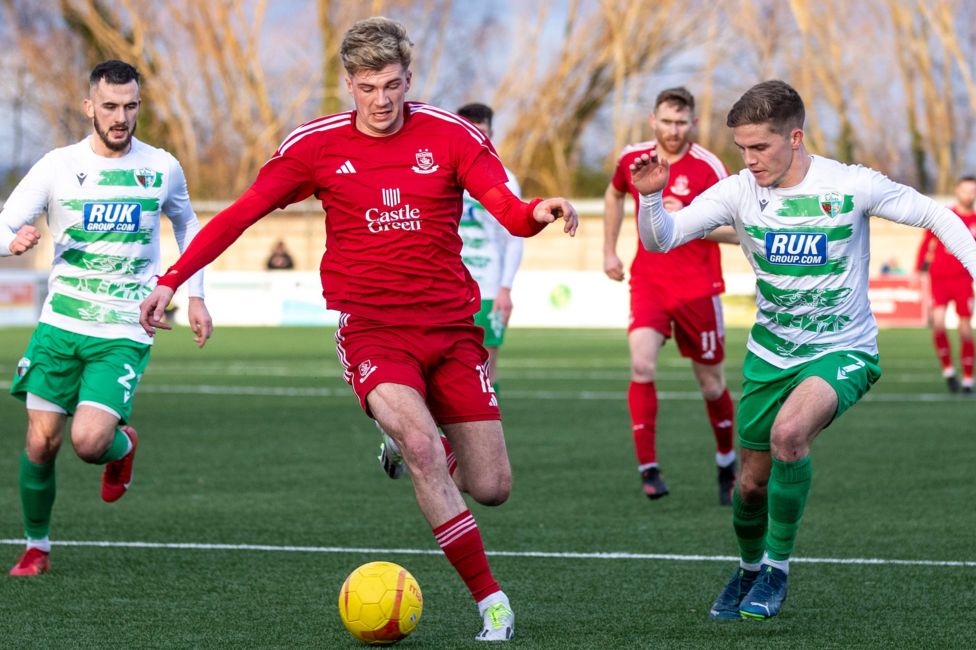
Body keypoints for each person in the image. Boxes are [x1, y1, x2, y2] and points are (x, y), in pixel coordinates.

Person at [138, 17, 577, 642]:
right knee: (426, 450)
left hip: (453, 328)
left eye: (392, 85)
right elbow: (239, 215)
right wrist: (172, 278)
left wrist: (540, 211)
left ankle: (408, 440)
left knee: (491, 486)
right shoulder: (314, 146)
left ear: (409, 78)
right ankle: (492, 603)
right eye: (368, 87)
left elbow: (507, 209)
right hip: (373, 329)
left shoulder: (450, 135)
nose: (381, 101)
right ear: (349, 83)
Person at [631, 80, 976, 621]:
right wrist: (651, 197)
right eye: (740, 148)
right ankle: (747, 569)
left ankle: (777, 570)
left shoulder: (852, 185)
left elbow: (937, 215)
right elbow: (662, 239)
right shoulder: (740, 189)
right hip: (770, 354)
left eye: (759, 147)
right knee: (749, 485)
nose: (748, 160)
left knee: (789, 435)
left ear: (794, 137)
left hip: (844, 349)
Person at [0, 60, 212, 577]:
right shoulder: (55, 166)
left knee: (89, 442)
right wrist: (11, 241)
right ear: (89, 107)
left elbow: (190, 227)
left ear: (139, 105)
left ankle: (123, 444)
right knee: (39, 442)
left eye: (130, 106)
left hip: (123, 327)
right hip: (61, 325)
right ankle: (37, 546)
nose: (121, 117)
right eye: (111, 107)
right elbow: (4, 223)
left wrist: (197, 294)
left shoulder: (161, 166)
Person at [603, 87, 739, 504]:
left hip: (698, 287)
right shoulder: (634, 158)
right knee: (641, 364)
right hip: (649, 282)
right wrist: (609, 249)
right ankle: (648, 469)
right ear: (653, 120)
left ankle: (726, 462)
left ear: (693, 123)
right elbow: (614, 194)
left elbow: (737, 229)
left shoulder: (709, 168)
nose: (673, 130)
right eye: (667, 121)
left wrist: (684, 222)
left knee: (711, 383)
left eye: (681, 122)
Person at [456, 102, 523, 395]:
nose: (476, 138)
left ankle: (483, 441)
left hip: (488, 288)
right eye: (469, 131)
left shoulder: (505, 178)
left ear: (492, 133)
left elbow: (515, 238)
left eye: (481, 132)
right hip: (448, 287)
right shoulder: (441, 173)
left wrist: (506, 289)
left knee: (486, 369)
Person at [914, 175, 976, 394]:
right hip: (939, 278)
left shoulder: (975, 220)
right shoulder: (945, 216)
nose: (969, 195)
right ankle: (949, 371)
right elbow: (926, 243)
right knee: (938, 324)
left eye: (973, 191)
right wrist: (918, 269)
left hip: (963, 280)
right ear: (957, 190)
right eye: (965, 190)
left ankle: (968, 380)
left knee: (966, 330)